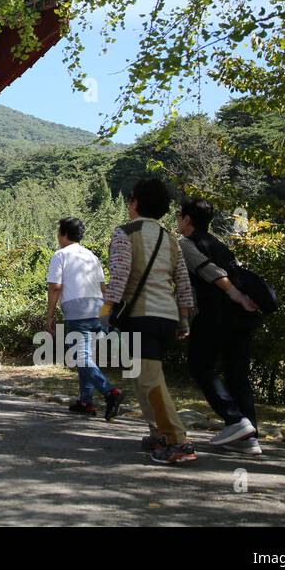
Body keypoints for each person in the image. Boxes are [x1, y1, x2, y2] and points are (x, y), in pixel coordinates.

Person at [101, 177, 198, 465]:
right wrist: (184, 319)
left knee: (150, 379)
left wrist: (104, 315)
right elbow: (182, 281)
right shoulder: (170, 239)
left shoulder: (125, 233)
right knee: (143, 378)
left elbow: (119, 279)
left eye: (130, 200)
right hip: (167, 318)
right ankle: (158, 434)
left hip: (141, 317)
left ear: (135, 203)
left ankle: (178, 441)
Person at [178, 198, 264, 456]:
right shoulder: (219, 244)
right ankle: (250, 438)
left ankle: (235, 420)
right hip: (241, 317)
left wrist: (235, 295)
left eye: (179, 216)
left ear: (187, 220)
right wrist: (242, 299)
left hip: (215, 315)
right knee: (237, 375)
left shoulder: (185, 244)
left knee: (199, 365)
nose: (177, 221)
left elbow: (210, 272)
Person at [46, 217, 121, 420]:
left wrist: (50, 315)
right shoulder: (91, 256)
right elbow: (103, 288)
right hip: (99, 311)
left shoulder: (60, 255)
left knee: (80, 357)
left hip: (78, 311)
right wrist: (108, 315)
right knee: (86, 357)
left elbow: (55, 287)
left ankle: (109, 392)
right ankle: (86, 402)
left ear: (63, 234)